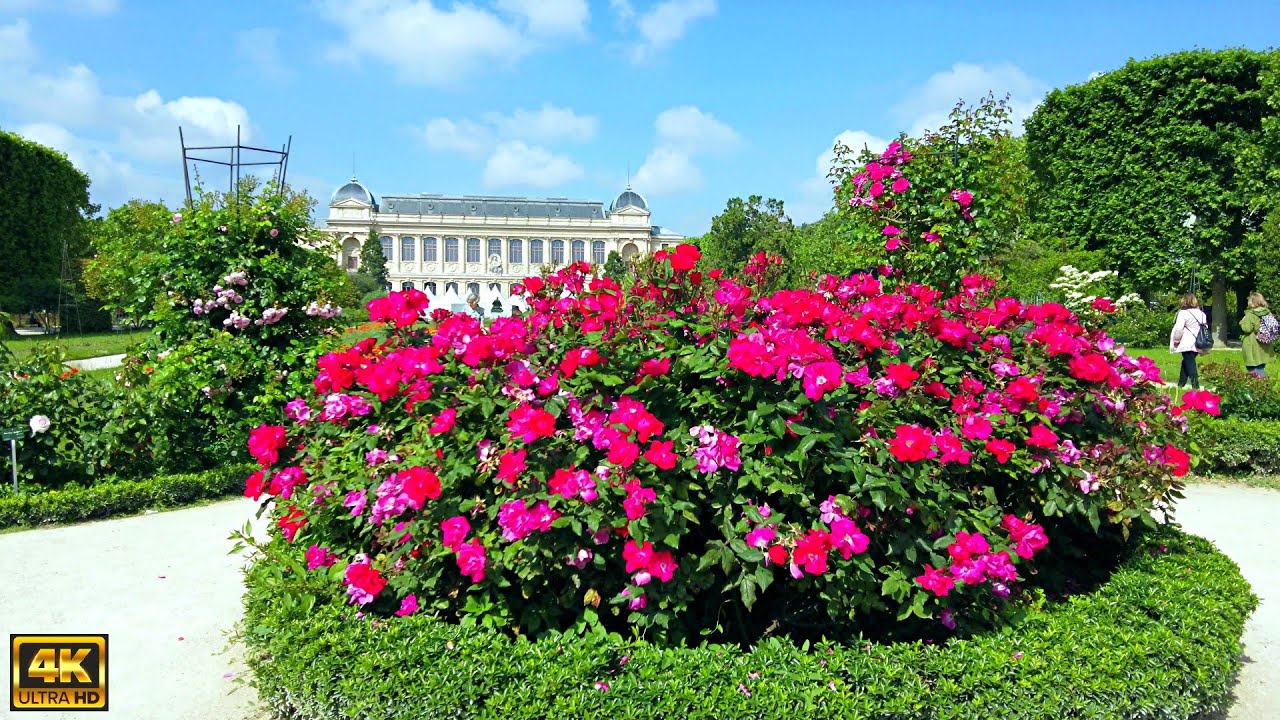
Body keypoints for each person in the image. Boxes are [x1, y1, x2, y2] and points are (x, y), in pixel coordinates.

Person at [1169, 292, 1208, 389]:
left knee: (1190, 363)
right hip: (1198, 341)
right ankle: (1180, 384)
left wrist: (1176, 341)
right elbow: (1205, 327)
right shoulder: (1201, 313)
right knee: (1186, 362)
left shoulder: (1183, 313)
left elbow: (1179, 328)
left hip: (1186, 341)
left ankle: (1195, 385)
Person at [1240, 292, 1274, 378]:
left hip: (1252, 343)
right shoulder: (1267, 312)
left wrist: (1242, 322)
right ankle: (1262, 384)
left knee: (1252, 368)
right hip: (1264, 342)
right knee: (1260, 366)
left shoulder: (1251, 314)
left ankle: (1260, 386)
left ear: (1251, 302)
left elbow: (1247, 329)